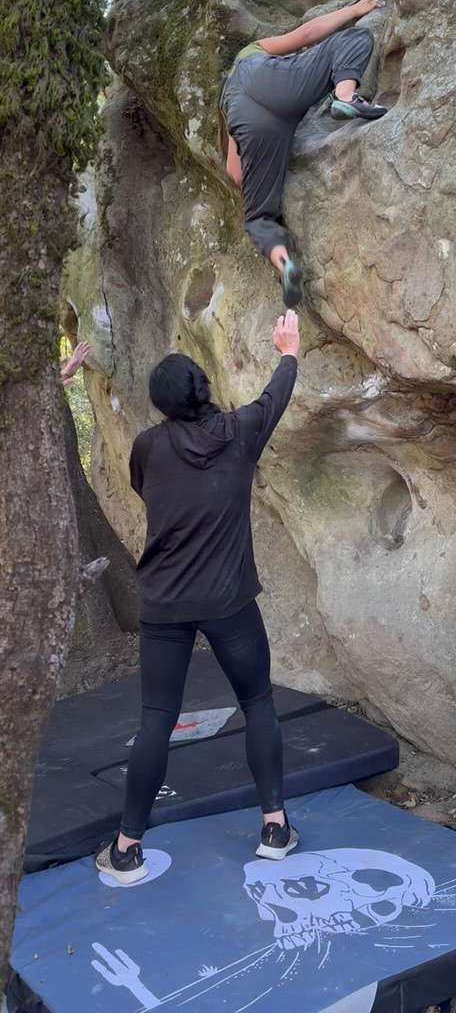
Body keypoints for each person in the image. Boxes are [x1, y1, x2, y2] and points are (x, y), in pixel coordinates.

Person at [95, 311, 301, 885]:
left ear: (161, 405)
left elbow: (145, 490)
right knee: (257, 702)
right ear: (204, 389)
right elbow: (276, 394)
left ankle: (127, 847)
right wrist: (288, 349)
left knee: (156, 719)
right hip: (229, 599)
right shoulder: (240, 433)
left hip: (164, 602)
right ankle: (274, 829)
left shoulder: (147, 448)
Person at [219, 0, 388, 310]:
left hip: (250, 122)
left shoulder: (226, 104)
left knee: (258, 218)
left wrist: (264, 179)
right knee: (351, 38)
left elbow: (234, 171)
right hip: (271, 82)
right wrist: (354, 9)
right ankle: (345, 96)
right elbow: (305, 36)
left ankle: (284, 262)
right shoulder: (247, 54)